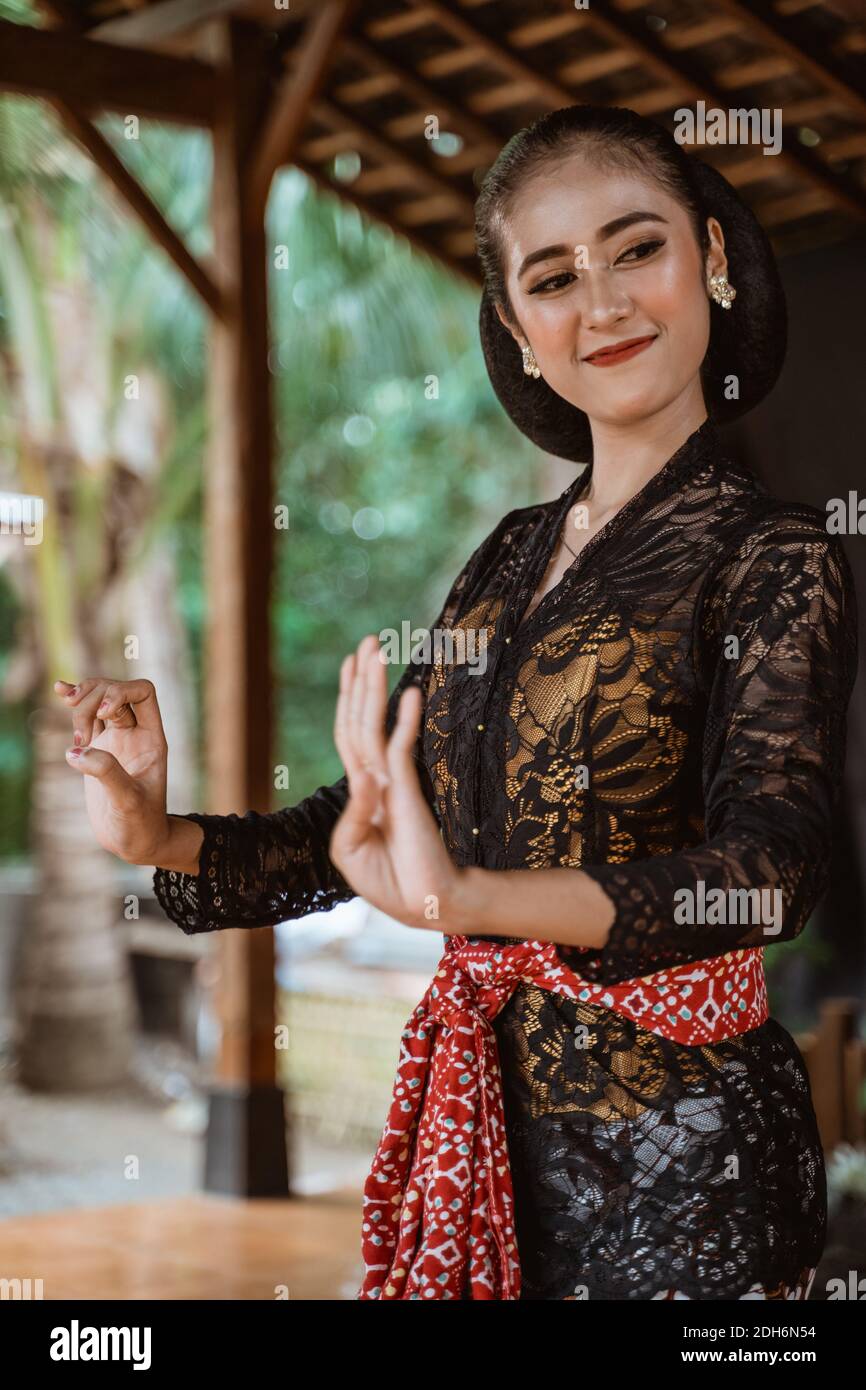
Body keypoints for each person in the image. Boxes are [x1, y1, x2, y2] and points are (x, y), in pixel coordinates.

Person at [54, 104, 858, 1301]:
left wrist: (470, 898)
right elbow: (376, 824)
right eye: (552, 276)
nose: (602, 303)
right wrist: (157, 832)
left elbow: (771, 869)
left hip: (688, 1173)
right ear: (518, 331)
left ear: (713, 259)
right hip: (487, 1149)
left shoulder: (774, 553)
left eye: (636, 248)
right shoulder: (505, 555)